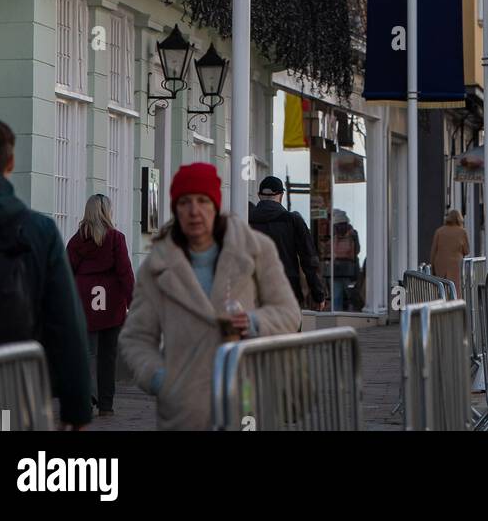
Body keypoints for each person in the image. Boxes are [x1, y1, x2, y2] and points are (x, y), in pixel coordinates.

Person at [120, 162, 300, 430]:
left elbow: (288, 312)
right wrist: (159, 378)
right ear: (175, 208)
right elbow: (136, 338)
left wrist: (253, 321)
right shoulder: (158, 265)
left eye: (203, 201)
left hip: (246, 398)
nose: (194, 211)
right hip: (184, 409)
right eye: (185, 202)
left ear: (215, 206)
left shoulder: (254, 249)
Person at [0, 116, 92, 429]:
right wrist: (77, 409)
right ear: (10, 163)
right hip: (18, 394)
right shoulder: (39, 230)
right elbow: (66, 323)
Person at [66, 193, 135, 417]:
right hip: (112, 303)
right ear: (107, 212)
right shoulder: (116, 239)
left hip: (84, 301)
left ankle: (86, 396)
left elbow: (66, 272)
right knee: (109, 356)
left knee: (85, 353)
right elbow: (125, 273)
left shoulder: (76, 241)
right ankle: (106, 405)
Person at [248, 176, 327, 310]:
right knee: (288, 330)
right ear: (281, 195)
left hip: (254, 289)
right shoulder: (293, 221)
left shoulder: (246, 219)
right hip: (287, 288)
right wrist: (318, 294)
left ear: (259, 195)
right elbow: (309, 260)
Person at [430, 210, 470, 294]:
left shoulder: (439, 231)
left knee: (440, 288)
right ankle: (454, 305)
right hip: (455, 265)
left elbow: (434, 250)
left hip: (440, 264)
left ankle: (441, 304)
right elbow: (466, 251)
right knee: (455, 288)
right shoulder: (462, 232)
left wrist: (432, 266)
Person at [328, 210, 361, 311]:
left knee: (351, 296)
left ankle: (353, 315)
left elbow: (356, 250)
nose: (340, 228)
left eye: (342, 225)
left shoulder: (352, 235)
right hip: (337, 271)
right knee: (337, 297)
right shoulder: (334, 236)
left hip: (348, 271)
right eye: (338, 225)